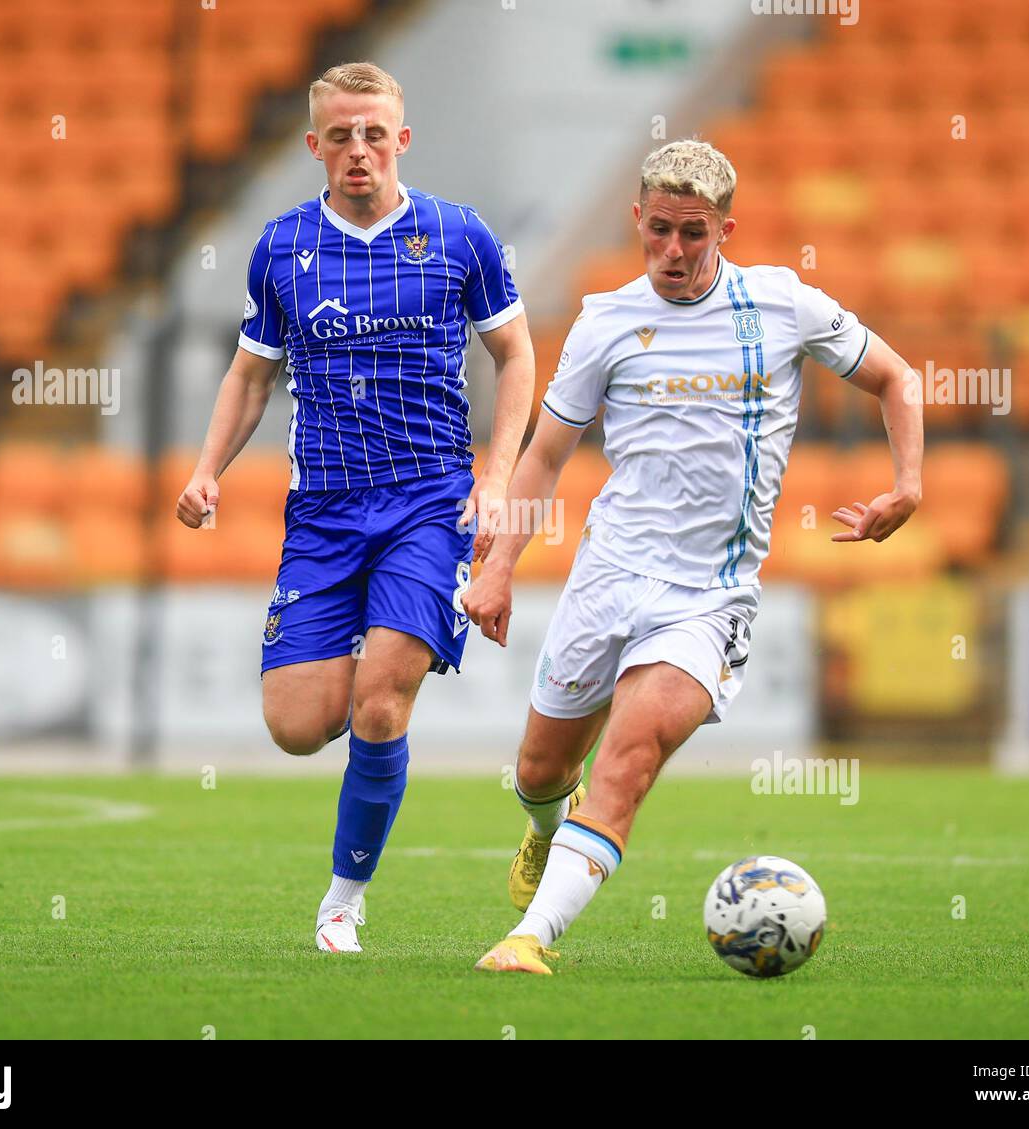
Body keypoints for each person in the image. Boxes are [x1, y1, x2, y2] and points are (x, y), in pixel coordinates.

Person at [463, 139, 923, 973]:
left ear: (726, 230)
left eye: (694, 236)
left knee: (627, 764)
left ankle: (529, 937)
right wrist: (497, 566)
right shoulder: (604, 320)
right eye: (661, 231)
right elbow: (544, 457)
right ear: (638, 219)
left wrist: (910, 484)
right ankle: (541, 829)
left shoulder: (781, 306)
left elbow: (897, 377)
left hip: (707, 598)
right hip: (607, 577)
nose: (674, 252)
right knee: (539, 769)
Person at [175, 62, 534, 954]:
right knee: (298, 725)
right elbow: (251, 373)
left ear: (401, 139)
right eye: (341, 135)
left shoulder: (460, 238)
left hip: (429, 501)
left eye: (375, 133)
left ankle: (343, 898)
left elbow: (517, 357)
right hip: (325, 512)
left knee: (380, 705)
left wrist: (497, 478)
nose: (359, 150)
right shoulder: (282, 247)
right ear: (316, 146)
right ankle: (362, 697)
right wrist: (207, 468)